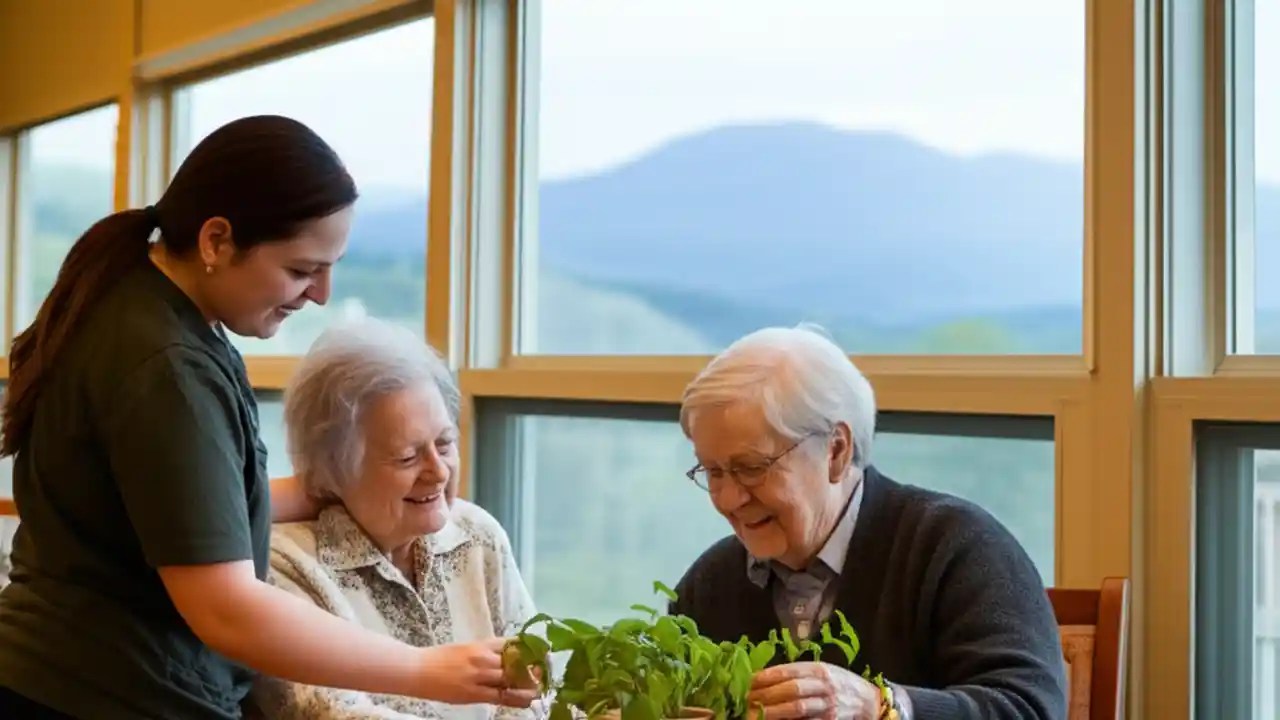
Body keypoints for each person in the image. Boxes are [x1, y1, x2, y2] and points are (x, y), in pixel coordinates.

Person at [0, 115, 537, 720]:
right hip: (104, 693)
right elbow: (226, 607)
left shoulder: (151, 314)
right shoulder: (164, 365)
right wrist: (426, 669)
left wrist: (337, 487)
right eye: (302, 269)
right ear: (216, 241)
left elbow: (176, 507)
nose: (321, 295)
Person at [668, 325, 1067, 720]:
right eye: (713, 472)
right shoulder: (707, 587)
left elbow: (1030, 710)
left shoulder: (956, 548)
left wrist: (881, 707)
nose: (728, 499)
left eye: (751, 468)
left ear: (836, 451)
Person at [248, 318, 537, 719]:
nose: (439, 471)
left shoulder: (477, 536)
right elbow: (335, 715)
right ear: (335, 467)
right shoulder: (283, 565)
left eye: (445, 443)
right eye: (407, 457)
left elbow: (538, 689)